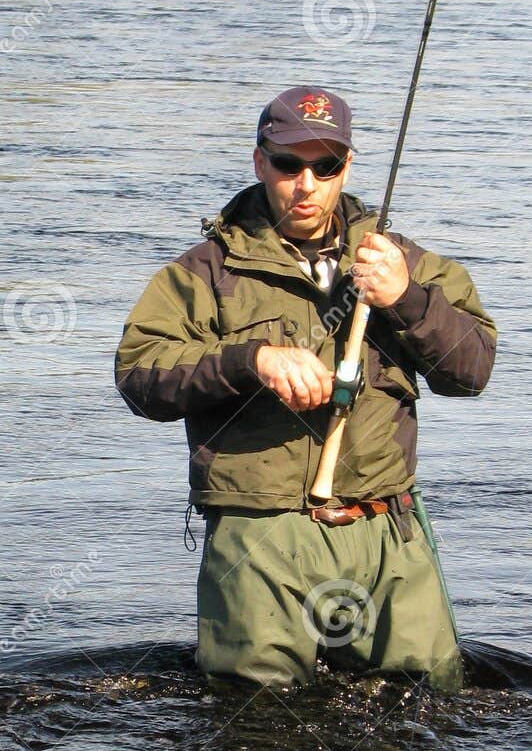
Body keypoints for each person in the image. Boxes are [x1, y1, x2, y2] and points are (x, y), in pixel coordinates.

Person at [115, 85, 497, 691]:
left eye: (326, 165)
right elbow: (140, 377)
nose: (306, 183)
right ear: (261, 161)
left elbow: (471, 370)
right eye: (289, 163)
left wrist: (408, 300)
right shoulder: (204, 272)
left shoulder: (403, 262)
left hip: (387, 536)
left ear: (346, 165)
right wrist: (250, 361)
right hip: (259, 539)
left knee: (433, 711)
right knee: (257, 729)